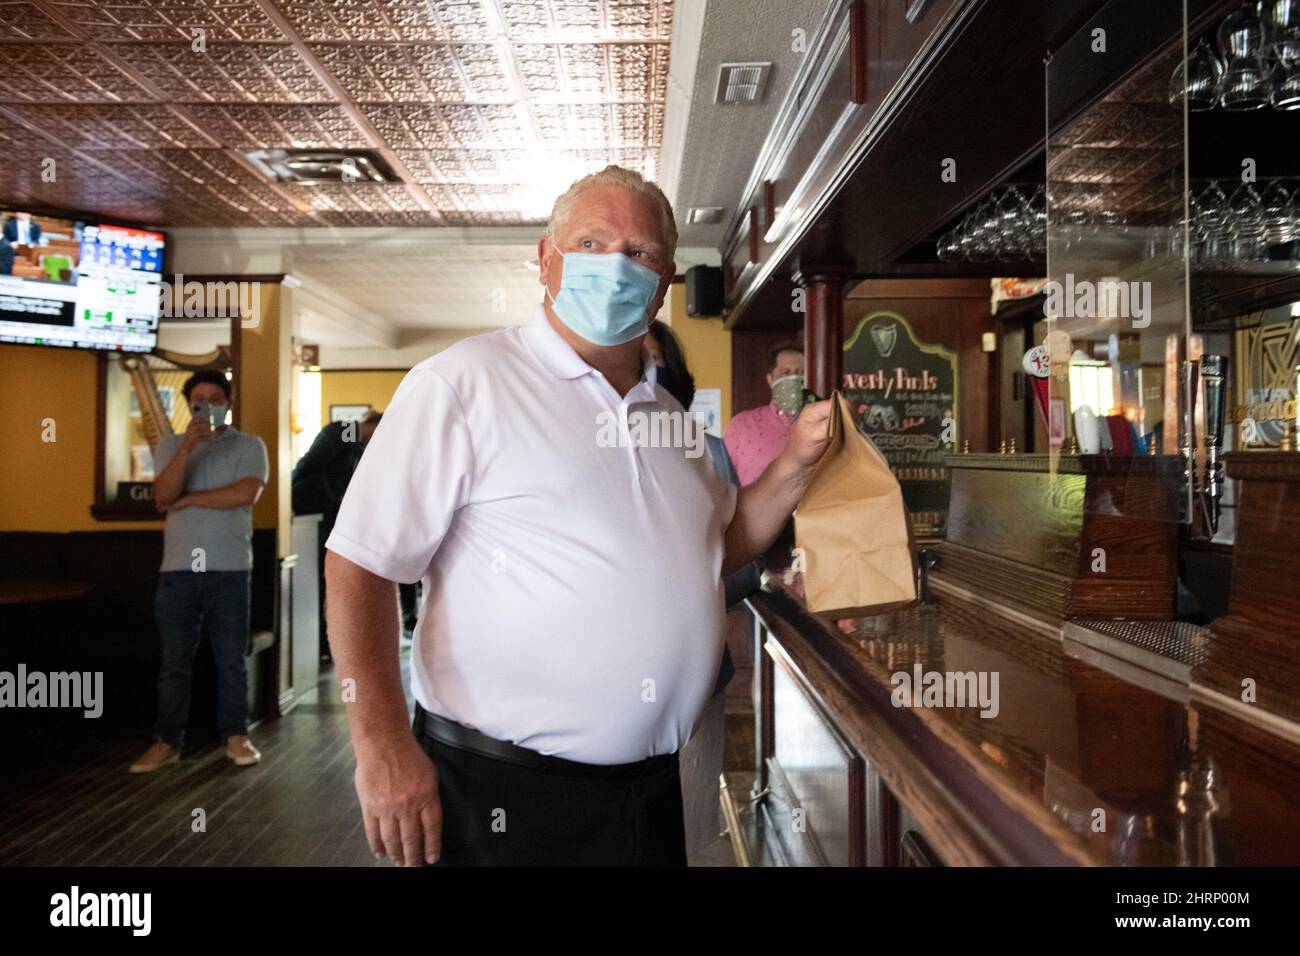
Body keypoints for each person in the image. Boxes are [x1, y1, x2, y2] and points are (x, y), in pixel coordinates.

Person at [325, 164, 830, 866]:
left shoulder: (673, 420)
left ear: (664, 282)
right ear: (545, 258)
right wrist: (380, 746)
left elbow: (721, 543)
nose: (615, 266)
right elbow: (358, 563)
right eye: (591, 243)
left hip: (649, 794)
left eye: (640, 252)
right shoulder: (462, 383)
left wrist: (797, 462)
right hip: (502, 793)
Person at [645, 318, 762, 858]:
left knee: (687, 833)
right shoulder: (579, 448)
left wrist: (693, 580)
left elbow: (745, 566)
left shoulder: (711, 454)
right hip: (591, 698)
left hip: (697, 686)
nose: (642, 377)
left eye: (652, 362)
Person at [129, 369, 270, 773]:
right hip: (177, 570)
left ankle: (236, 736)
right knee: (174, 661)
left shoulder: (250, 445)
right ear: (189, 405)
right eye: (198, 399)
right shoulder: (172, 445)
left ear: (228, 402)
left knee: (230, 658)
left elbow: (246, 493)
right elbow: (162, 495)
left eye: (215, 398)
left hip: (230, 568)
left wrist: (188, 500)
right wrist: (187, 448)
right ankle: (166, 741)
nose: (206, 405)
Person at [291, 410, 386, 656]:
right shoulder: (344, 431)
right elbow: (309, 465)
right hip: (312, 511)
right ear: (373, 424)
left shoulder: (360, 447)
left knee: (328, 581)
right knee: (321, 579)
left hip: (329, 515)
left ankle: (327, 643)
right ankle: (322, 643)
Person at [723, 341, 806, 485]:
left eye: (801, 373)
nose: (794, 379)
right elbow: (722, 482)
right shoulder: (741, 425)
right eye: (786, 373)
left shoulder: (823, 424)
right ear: (770, 379)